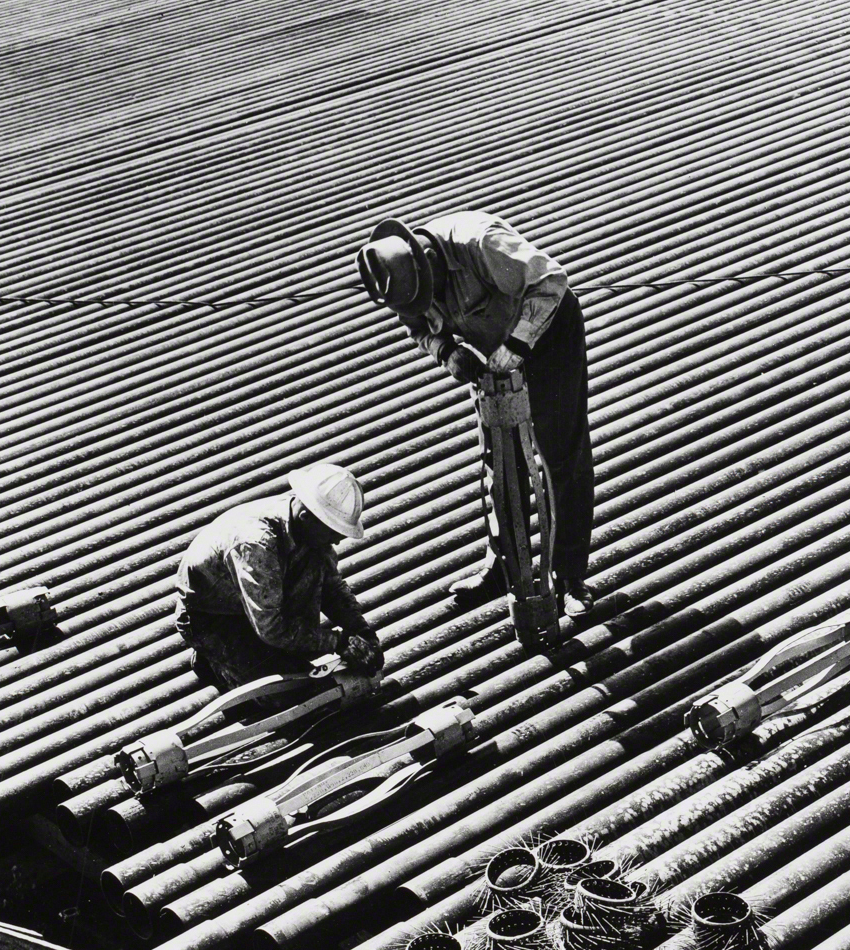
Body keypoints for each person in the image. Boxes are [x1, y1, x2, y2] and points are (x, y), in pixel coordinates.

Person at [355, 212, 593, 613]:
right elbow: (416, 325)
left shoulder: (480, 243)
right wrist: (446, 352)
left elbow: (551, 282)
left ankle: (569, 577)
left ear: (428, 257)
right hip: (490, 354)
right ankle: (503, 566)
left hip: (549, 334)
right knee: (499, 461)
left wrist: (517, 346)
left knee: (559, 456)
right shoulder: (398, 278)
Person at [173, 462, 383, 691]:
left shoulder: (306, 529)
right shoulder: (256, 544)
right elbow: (272, 628)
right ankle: (214, 663)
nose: (338, 541)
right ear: (305, 517)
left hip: (258, 605)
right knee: (289, 693)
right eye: (333, 532)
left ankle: (267, 654)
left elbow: (331, 587)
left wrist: (362, 632)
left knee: (301, 667)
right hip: (213, 618)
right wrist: (338, 642)